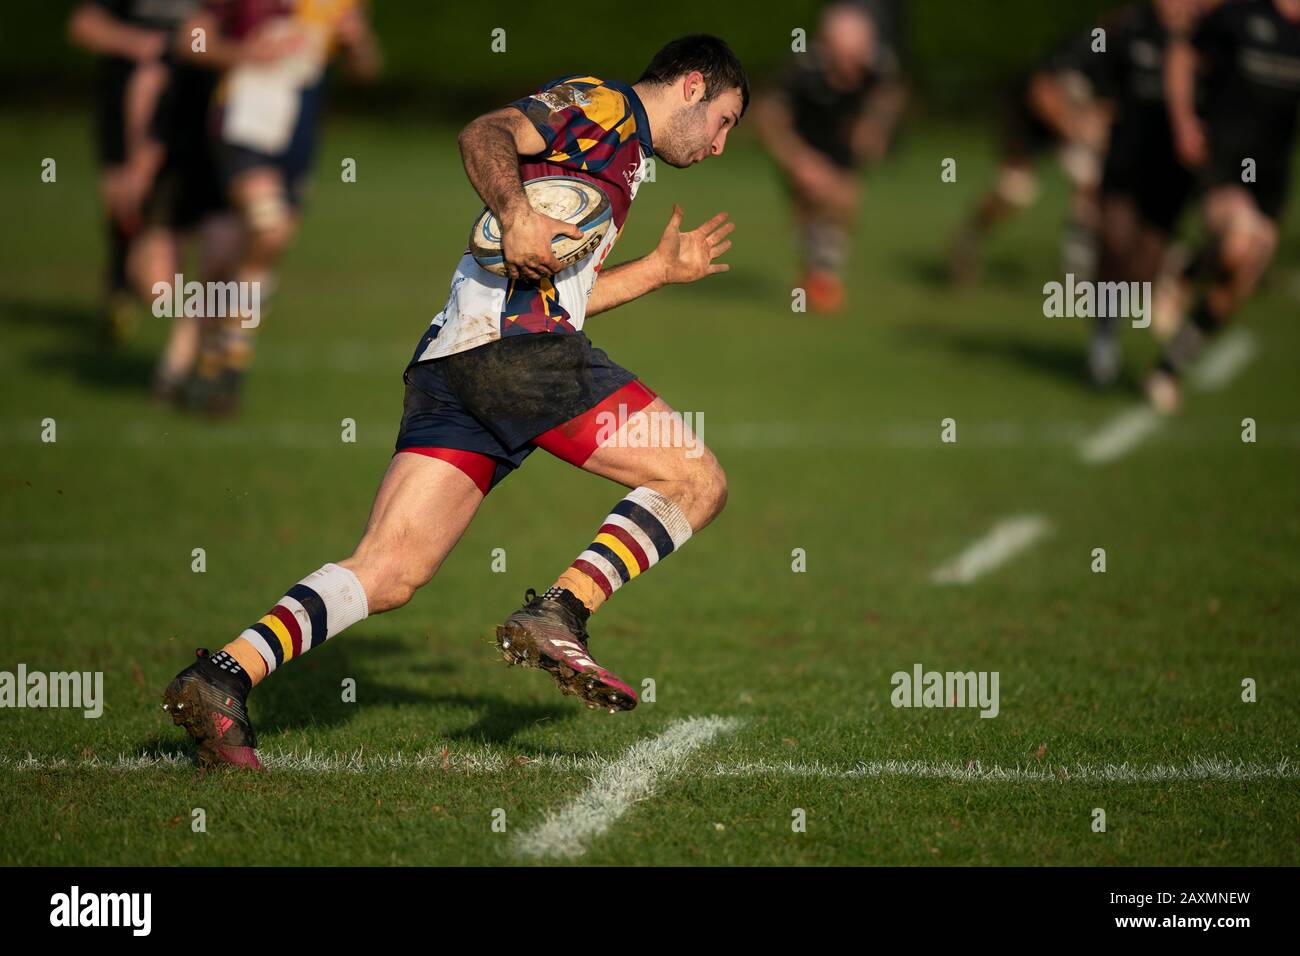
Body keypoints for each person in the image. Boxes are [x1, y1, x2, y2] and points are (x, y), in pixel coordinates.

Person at [162, 35, 747, 769]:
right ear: (692, 86)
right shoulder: (604, 107)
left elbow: (562, 294)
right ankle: (560, 611)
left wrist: (657, 272)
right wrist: (512, 209)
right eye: (725, 120)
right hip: (519, 355)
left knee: (389, 570)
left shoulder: (624, 161)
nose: (723, 145)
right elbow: (484, 131)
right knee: (697, 480)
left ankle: (223, 677)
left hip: (457, 361)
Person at [177, 0, 381, 414]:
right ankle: (228, 363)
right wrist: (245, 53)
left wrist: (359, 45)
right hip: (244, 121)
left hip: (297, 134)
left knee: (251, 249)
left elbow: (367, 73)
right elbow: (189, 42)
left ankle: (219, 357)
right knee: (268, 226)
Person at [1147, 0, 1300, 412]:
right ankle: (1185, 269)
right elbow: (1182, 50)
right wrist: (1182, 121)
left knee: (1238, 282)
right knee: (1238, 241)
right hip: (1226, 160)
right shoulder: (1240, 15)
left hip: (1271, 175)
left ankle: (1168, 367)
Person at [754, 1, 906, 313]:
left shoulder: (878, 65)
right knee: (815, 200)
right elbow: (768, 116)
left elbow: (892, 94)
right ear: (828, 45)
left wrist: (874, 125)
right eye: (845, 56)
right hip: (803, 141)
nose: (853, 63)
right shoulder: (803, 69)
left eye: (858, 55)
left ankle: (820, 274)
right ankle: (821, 277)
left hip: (840, 140)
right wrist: (798, 159)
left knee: (846, 200)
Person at [1087, 0, 1205, 386]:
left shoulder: (1209, 34)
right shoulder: (1126, 28)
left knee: (1143, 266)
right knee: (1114, 244)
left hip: (1172, 171)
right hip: (1125, 160)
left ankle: (1168, 278)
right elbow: (1100, 79)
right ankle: (1103, 334)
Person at [947, 28, 1109, 285]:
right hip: (1029, 116)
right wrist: (1075, 130)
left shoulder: (1128, 54)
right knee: (1017, 191)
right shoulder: (1087, 43)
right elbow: (1041, 92)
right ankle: (971, 233)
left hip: (1071, 123)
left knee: (1090, 183)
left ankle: (1077, 271)